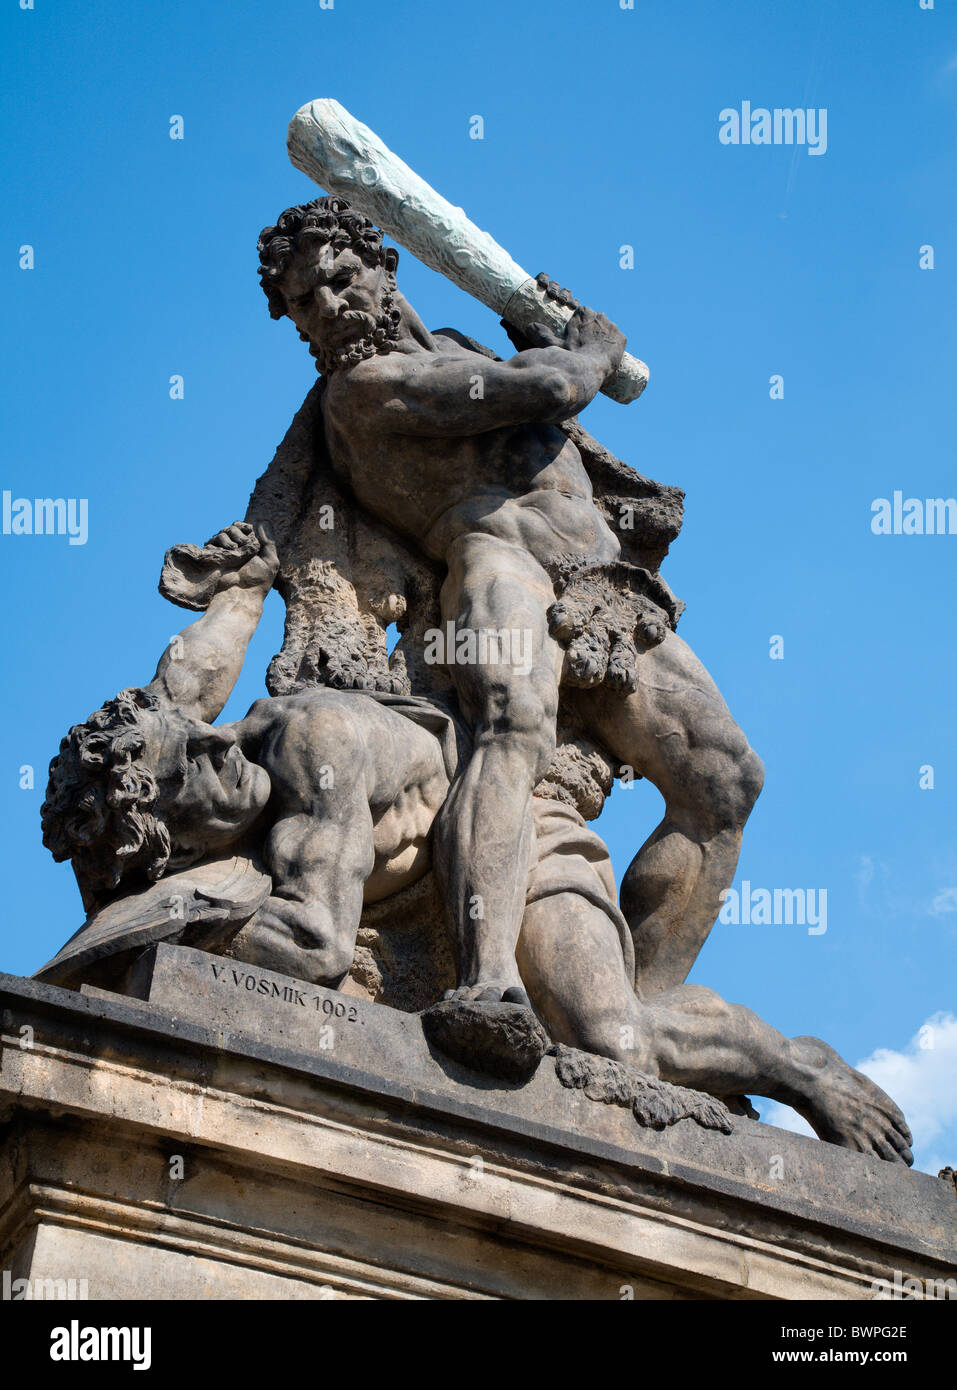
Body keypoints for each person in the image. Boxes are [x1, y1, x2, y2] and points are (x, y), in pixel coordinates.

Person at [41, 524, 913, 1164]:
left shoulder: (310, 750)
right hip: (405, 887)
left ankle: (800, 1069)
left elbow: (314, 942)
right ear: (168, 836)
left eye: (195, 736)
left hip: (515, 839)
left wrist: (176, 926)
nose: (212, 748)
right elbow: (190, 670)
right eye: (190, 774)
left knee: (614, 1044)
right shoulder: (172, 810)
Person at [257, 197, 764, 1011]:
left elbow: (535, 406)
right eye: (302, 302)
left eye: (337, 279)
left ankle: (643, 1004)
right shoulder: (362, 389)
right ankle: (489, 978)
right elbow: (551, 388)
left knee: (725, 782)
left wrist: (538, 337)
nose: (325, 307)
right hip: (497, 566)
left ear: (385, 270)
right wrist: (585, 353)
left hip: (606, 588)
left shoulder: (453, 347)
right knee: (512, 736)